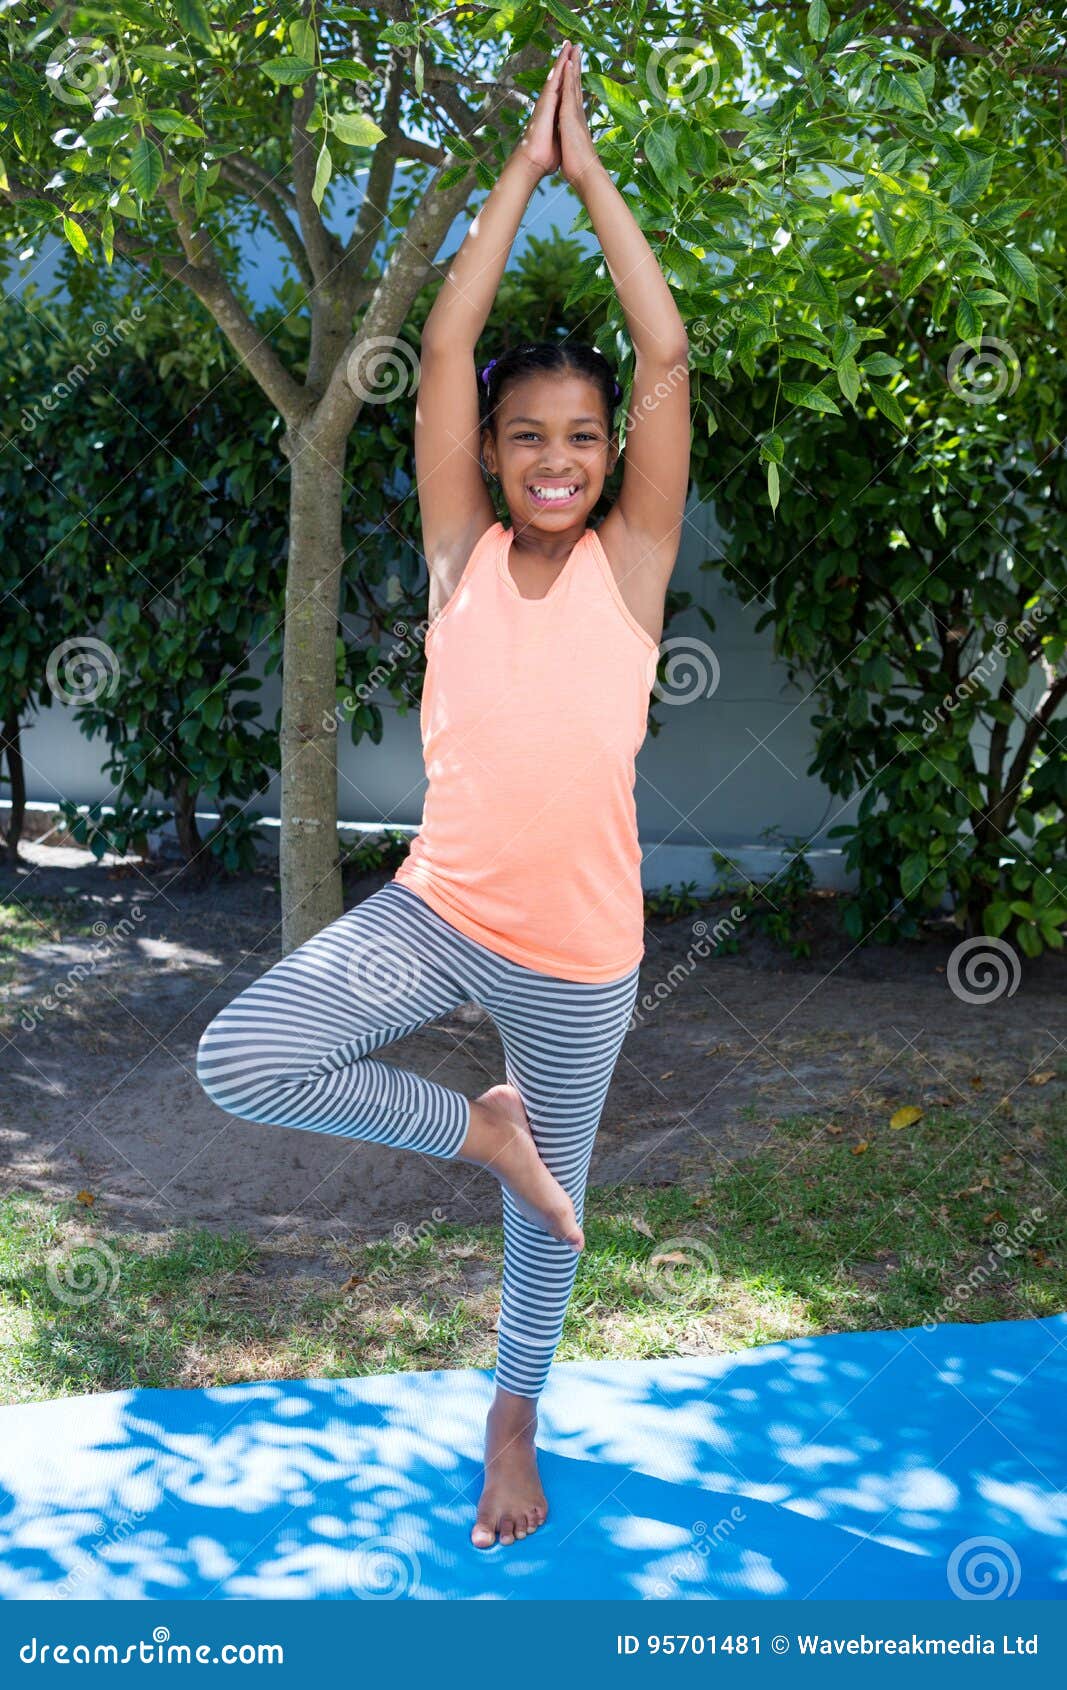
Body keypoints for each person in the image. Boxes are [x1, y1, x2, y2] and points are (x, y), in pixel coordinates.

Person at [196, 39, 690, 1553]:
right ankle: (476, 1128)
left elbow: (665, 361)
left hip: (585, 957)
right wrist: (514, 181)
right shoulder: (460, 553)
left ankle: (512, 1420)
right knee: (246, 1054)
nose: (554, 457)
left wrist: (592, 180)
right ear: (482, 450)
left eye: (580, 438)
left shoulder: (631, 568)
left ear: (612, 460)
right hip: (439, 910)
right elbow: (450, 329)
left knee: (554, 1221)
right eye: (523, 435)